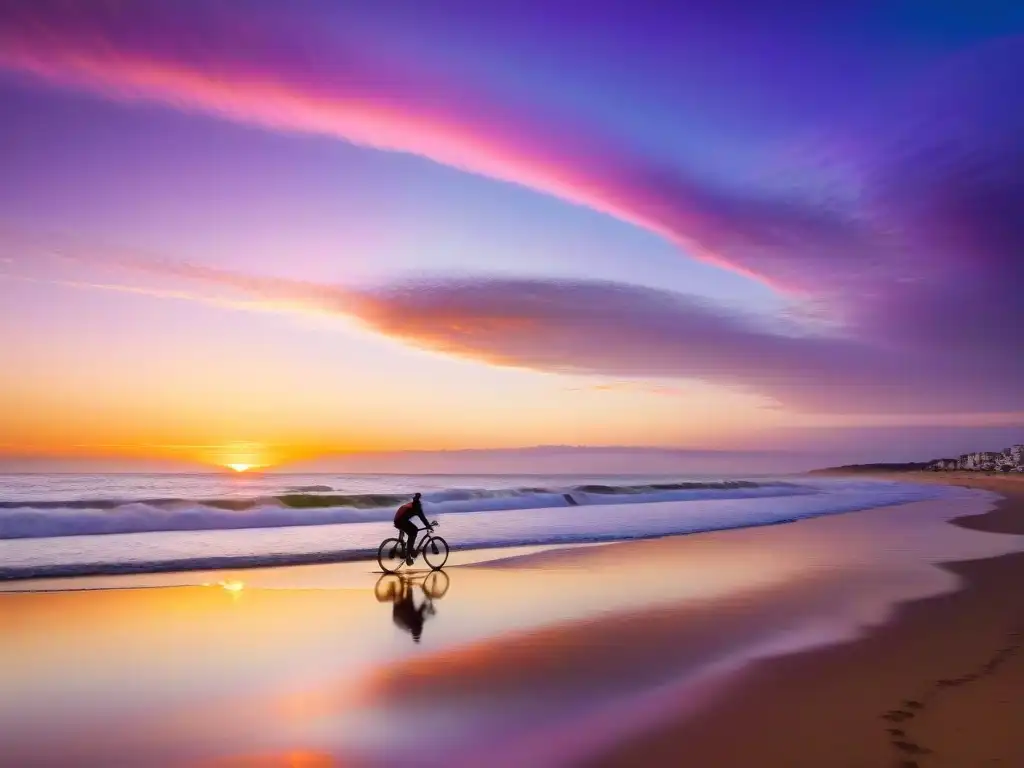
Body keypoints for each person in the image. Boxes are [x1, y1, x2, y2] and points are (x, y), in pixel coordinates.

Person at [394, 492, 431, 565]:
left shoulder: (411, 505)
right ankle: (408, 557)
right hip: (400, 521)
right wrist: (428, 525)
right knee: (413, 531)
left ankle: (406, 550)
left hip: (398, 520)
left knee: (412, 531)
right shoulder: (417, 507)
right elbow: (422, 518)